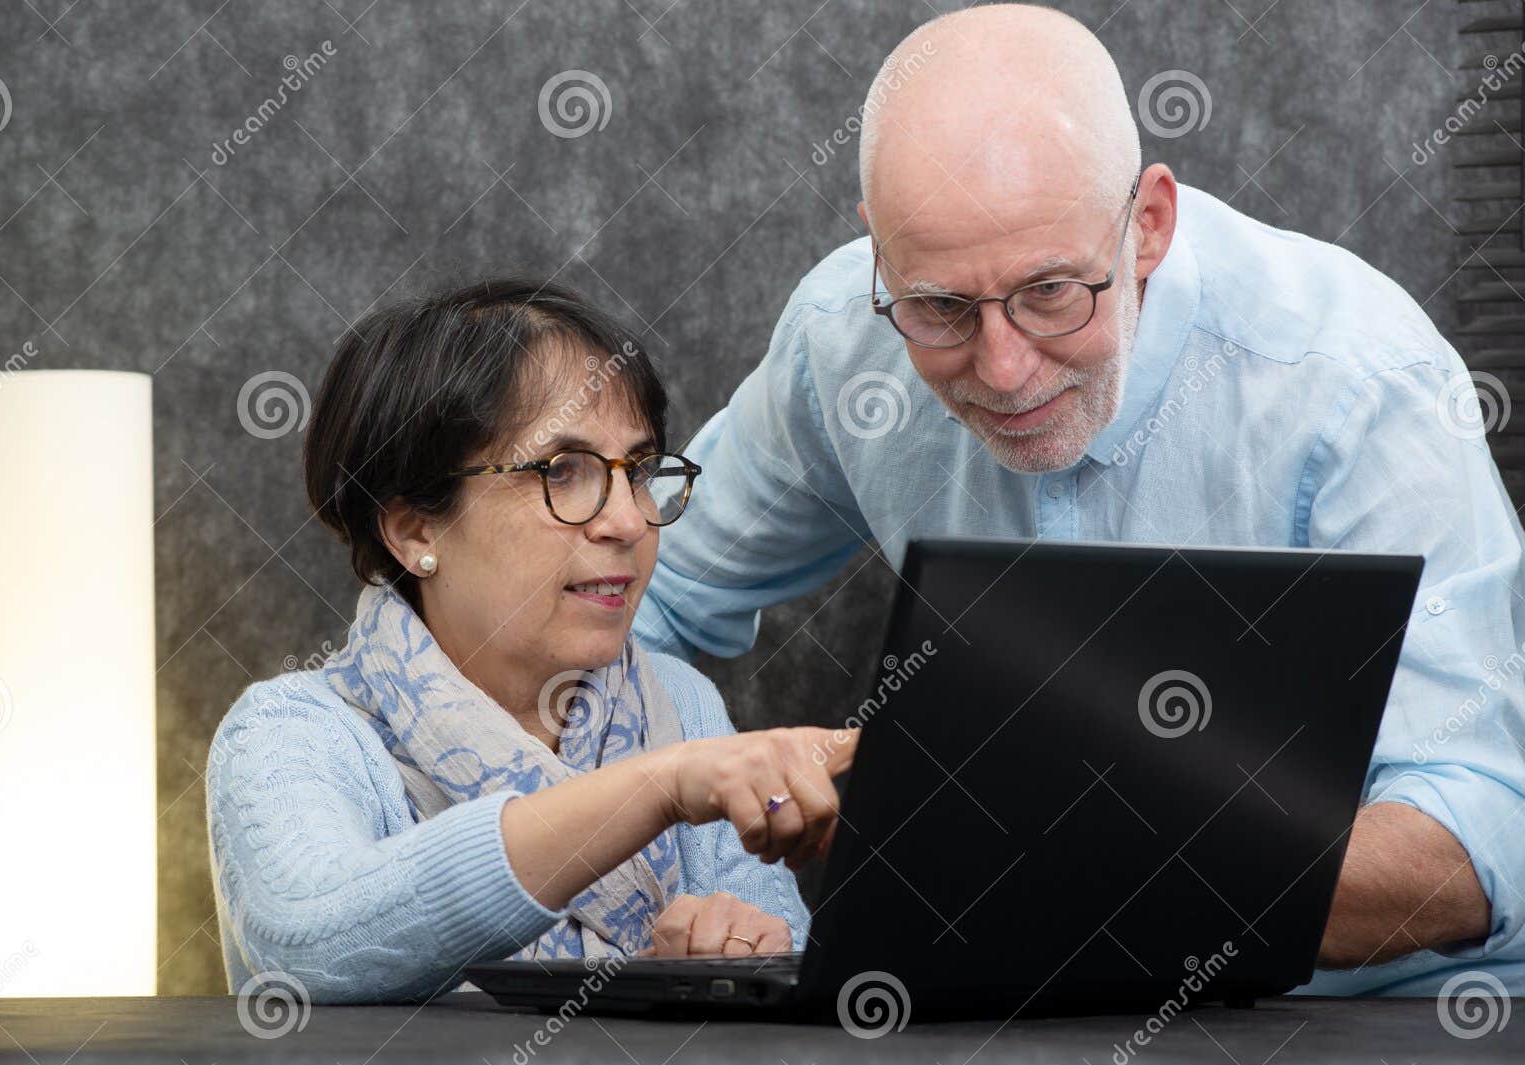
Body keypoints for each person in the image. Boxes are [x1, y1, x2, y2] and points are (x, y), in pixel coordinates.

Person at [633, 4, 1525, 995]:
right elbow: (634, 610)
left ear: (1148, 224)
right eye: (938, 309)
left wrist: (1041, 857)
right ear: (878, 253)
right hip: (984, 1016)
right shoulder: (840, 339)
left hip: (1361, 1034)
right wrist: (702, 844)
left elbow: (1478, 835)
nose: (1005, 372)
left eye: (1053, 292)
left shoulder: (1358, 383)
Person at [205, 278, 855, 1003]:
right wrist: (659, 786)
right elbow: (312, 949)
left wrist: (723, 952)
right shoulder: (290, 731)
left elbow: (792, 963)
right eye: (564, 473)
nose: (629, 523)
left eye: (637, 472)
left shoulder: (680, 702)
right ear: (414, 529)